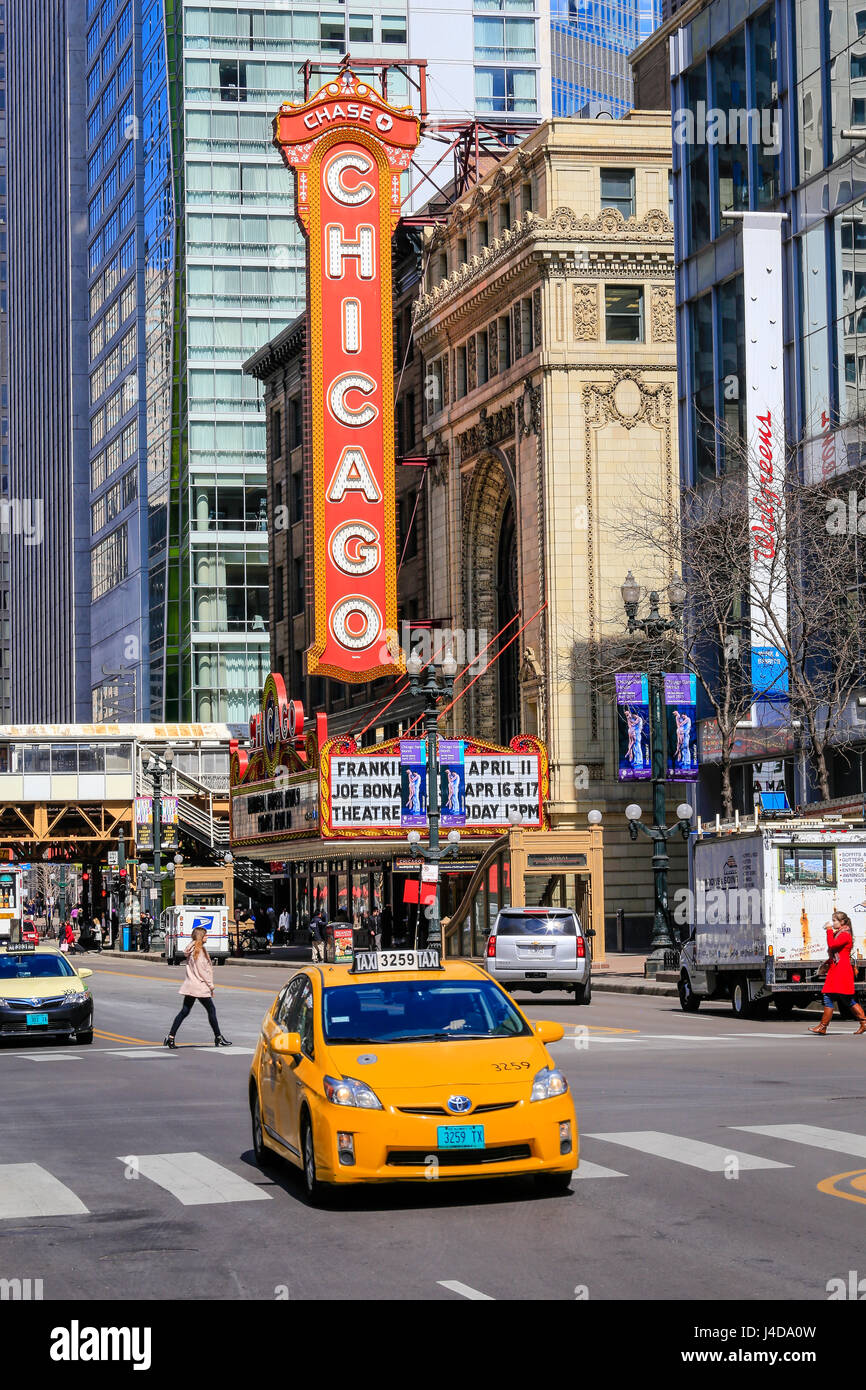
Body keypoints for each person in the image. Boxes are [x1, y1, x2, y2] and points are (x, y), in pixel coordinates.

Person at [163, 926, 231, 1049]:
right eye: (205, 935)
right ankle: (218, 1037)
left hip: (191, 985)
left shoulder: (192, 949)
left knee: (184, 1011)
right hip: (199, 986)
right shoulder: (199, 951)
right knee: (211, 1010)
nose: (207, 937)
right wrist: (211, 986)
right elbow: (203, 971)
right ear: (201, 937)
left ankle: (170, 1037)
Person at [809, 910, 866, 1035]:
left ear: (842, 922)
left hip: (842, 970)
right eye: (833, 920)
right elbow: (836, 952)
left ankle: (823, 1026)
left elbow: (832, 945)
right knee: (845, 998)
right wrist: (826, 964)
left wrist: (829, 930)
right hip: (838, 969)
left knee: (832, 996)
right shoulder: (841, 933)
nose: (832, 923)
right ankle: (863, 1022)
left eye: (834, 921)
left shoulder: (845, 935)